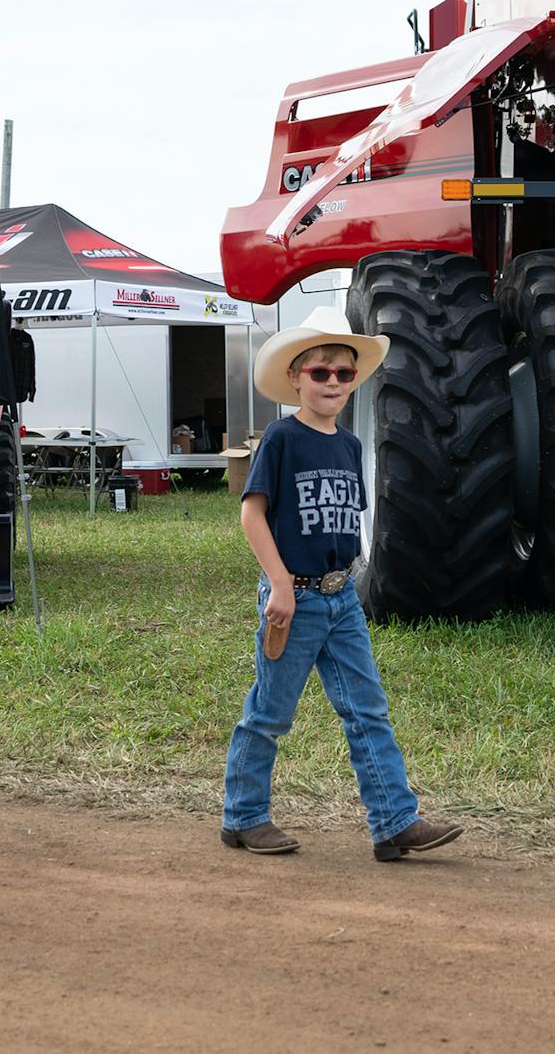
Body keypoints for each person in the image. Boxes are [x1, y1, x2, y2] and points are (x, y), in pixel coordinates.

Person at [221, 309, 461, 862]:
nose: (332, 383)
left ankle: (395, 821)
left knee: (367, 709)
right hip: (295, 597)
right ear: (296, 379)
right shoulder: (281, 439)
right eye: (320, 373)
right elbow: (252, 516)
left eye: (343, 374)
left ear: (355, 382)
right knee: (270, 713)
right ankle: (243, 816)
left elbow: (348, 520)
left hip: (341, 599)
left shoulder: (350, 447)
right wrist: (279, 584)